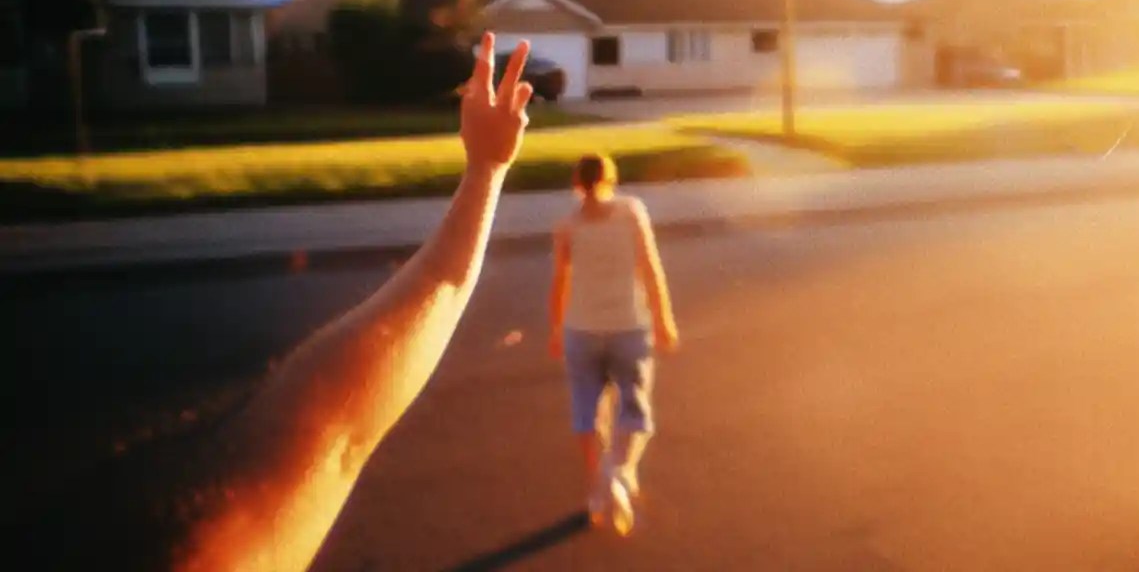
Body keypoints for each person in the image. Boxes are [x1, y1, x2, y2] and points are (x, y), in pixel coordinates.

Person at [22, 33, 535, 572]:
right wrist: (485, 170)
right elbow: (338, 425)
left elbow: (341, 428)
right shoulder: (215, 548)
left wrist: (484, 171)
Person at [548, 153, 680, 536]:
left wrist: (556, 328)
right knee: (635, 409)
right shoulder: (632, 212)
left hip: (581, 330)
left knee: (587, 413)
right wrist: (663, 319)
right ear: (611, 178)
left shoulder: (567, 226)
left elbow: (560, 282)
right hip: (629, 327)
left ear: (576, 183)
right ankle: (620, 472)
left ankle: (597, 490)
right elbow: (651, 268)